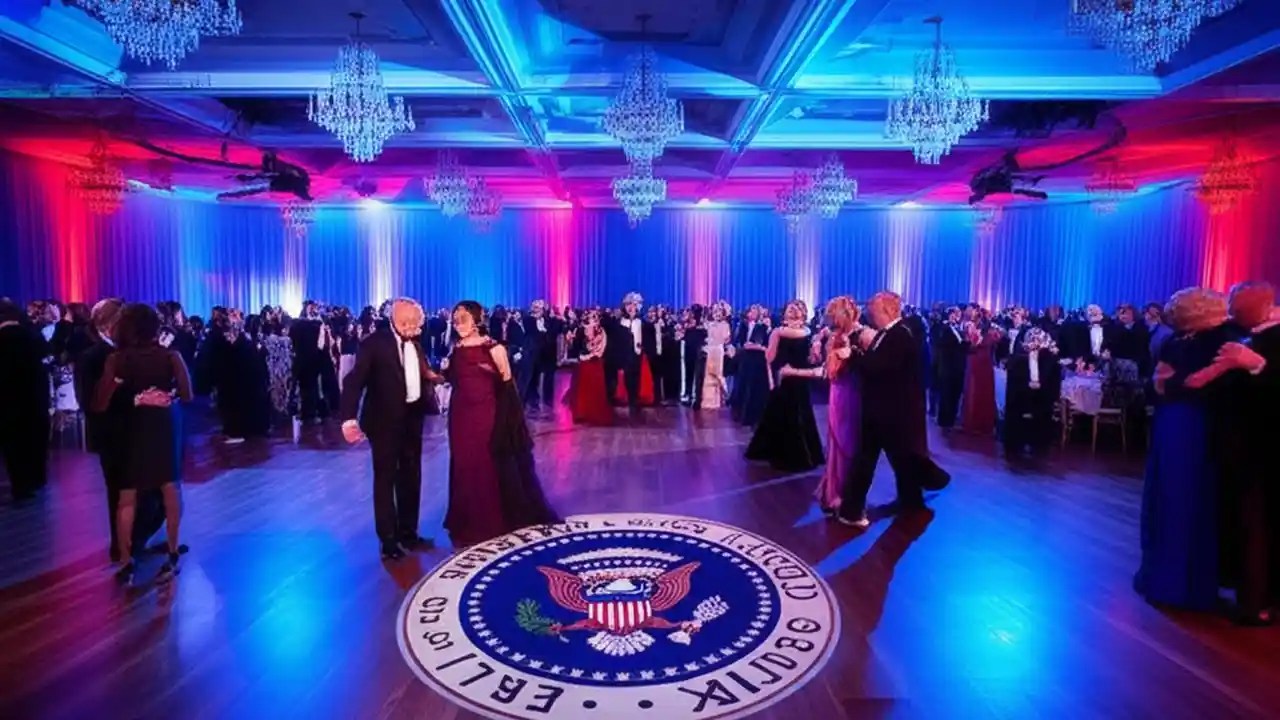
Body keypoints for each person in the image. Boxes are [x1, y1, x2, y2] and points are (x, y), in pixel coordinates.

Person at [1135, 287, 1235, 611]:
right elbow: (1175, 383)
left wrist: (1173, 383)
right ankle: (1180, 584)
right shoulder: (1207, 340)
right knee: (1182, 499)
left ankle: (1168, 579)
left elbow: (1164, 383)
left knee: (1174, 498)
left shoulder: (1180, 341)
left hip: (1178, 420)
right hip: (1189, 423)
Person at [441, 301, 560, 547]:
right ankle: (467, 519)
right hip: (460, 417)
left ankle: (491, 520)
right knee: (464, 463)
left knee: (487, 462)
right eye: (455, 320)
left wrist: (508, 423)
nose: (458, 324)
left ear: (476, 320)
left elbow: (507, 387)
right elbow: (453, 380)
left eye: (463, 318)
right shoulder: (456, 348)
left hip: (487, 414)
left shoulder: (494, 348)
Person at [92, 303, 193, 584]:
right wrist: (163, 394)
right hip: (162, 427)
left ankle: (126, 561)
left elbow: (99, 404)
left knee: (127, 495)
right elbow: (187, 395)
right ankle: (172, 552)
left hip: (131, 429)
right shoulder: (171, 356)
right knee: (170, 488)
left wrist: (127, 390)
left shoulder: (116, 359)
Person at [341, 298, 444, 560]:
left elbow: (419, 374)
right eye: (405, 323)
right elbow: (354, 381)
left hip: (412, 419)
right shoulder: (374, 344)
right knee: (385, 479)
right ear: (393, 320)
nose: (411, 327)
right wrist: (348, 419)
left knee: (412, 476)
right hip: (383, 422)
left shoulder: (417, 343)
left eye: (415, 323)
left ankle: (409, 534)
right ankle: (388, 541)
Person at [838, 292, 950, 528]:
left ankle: (852, 510)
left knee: (872, 460)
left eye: (873, 308)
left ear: (888, 310)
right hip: (885, 411)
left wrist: (853, 356)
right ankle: (912, 500)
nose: (869, 312)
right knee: (898, 459)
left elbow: (878, 368)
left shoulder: (899, 336)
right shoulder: (890, 334)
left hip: (888, 411)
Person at [1208, 283, 1280, 625]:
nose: (1231, 308)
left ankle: (1257, 603)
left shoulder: (1266, 342)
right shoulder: (1244, 338)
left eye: (1237, 303)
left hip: (1264, 449)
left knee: (1257, 525)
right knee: (1251, 524)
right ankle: (1252, 594)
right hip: (1247, 448)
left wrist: (1256, 366)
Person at [745, 300, 824, 472]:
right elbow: (770, 358)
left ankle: (800, 453)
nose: (794, 311)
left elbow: (808, 359)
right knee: (787, 412)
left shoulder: (804, 332)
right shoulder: (784, 332)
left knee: (798, 413)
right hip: (786, 377)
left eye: (797, 308)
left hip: (797, 376)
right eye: (791, 309)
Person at [814, 297, 873, 515]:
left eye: (834, 314)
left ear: (847, 314)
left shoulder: (865, 334)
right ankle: (833, 493)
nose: (831, 319)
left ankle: (848, 495)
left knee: (851, 441)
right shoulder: (835, 335)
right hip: (838, 391)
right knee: (836, 440)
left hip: (855, 392)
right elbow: (827, 370)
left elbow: (872, 366)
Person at [0, 299, 49, 502]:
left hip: (6, 403)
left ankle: (19, 485)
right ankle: (34, 480)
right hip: (34, 401)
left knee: (12, 447)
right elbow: (47, 356)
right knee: (34, 442)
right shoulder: (32, 337)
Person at [569, 310, 613, 426]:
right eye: (590, 317)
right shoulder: (581, 330)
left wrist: (593, 355)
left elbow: (602, 347)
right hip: (584, 363)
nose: (592, 319)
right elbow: (576, 346)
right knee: (584, 387)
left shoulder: (602, 332)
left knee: (595, 387)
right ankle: (583, 413)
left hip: (595, 363)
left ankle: (593, 412)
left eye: (594, 317)